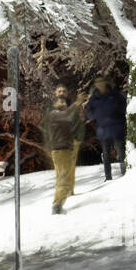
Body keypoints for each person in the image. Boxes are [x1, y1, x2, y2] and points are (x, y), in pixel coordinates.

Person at [43, 84, 84, 214]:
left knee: (62, 177)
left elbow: (75, 123)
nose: (62, 104)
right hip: (60, 150)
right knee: (64, 179)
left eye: (64, 103)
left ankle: (59, 201)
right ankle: (57, 204)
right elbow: (67, 114)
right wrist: (78, 103)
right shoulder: (54, 114)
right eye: (59, 102)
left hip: (64, 149)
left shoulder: (60, 115)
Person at [85, 75, 126, 181]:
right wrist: (94, 115)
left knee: (121, 151)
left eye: (101, 81)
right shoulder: (93, 98)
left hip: (117, 127)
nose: (100, 83)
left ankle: (125, 173)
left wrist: (117, 112)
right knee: (106, 154)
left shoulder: (114, 94)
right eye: (97, 82)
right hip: (103, 130)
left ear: (105, 82)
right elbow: (89, 113)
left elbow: (124, 105)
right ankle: (108, 177)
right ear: (95, 85)